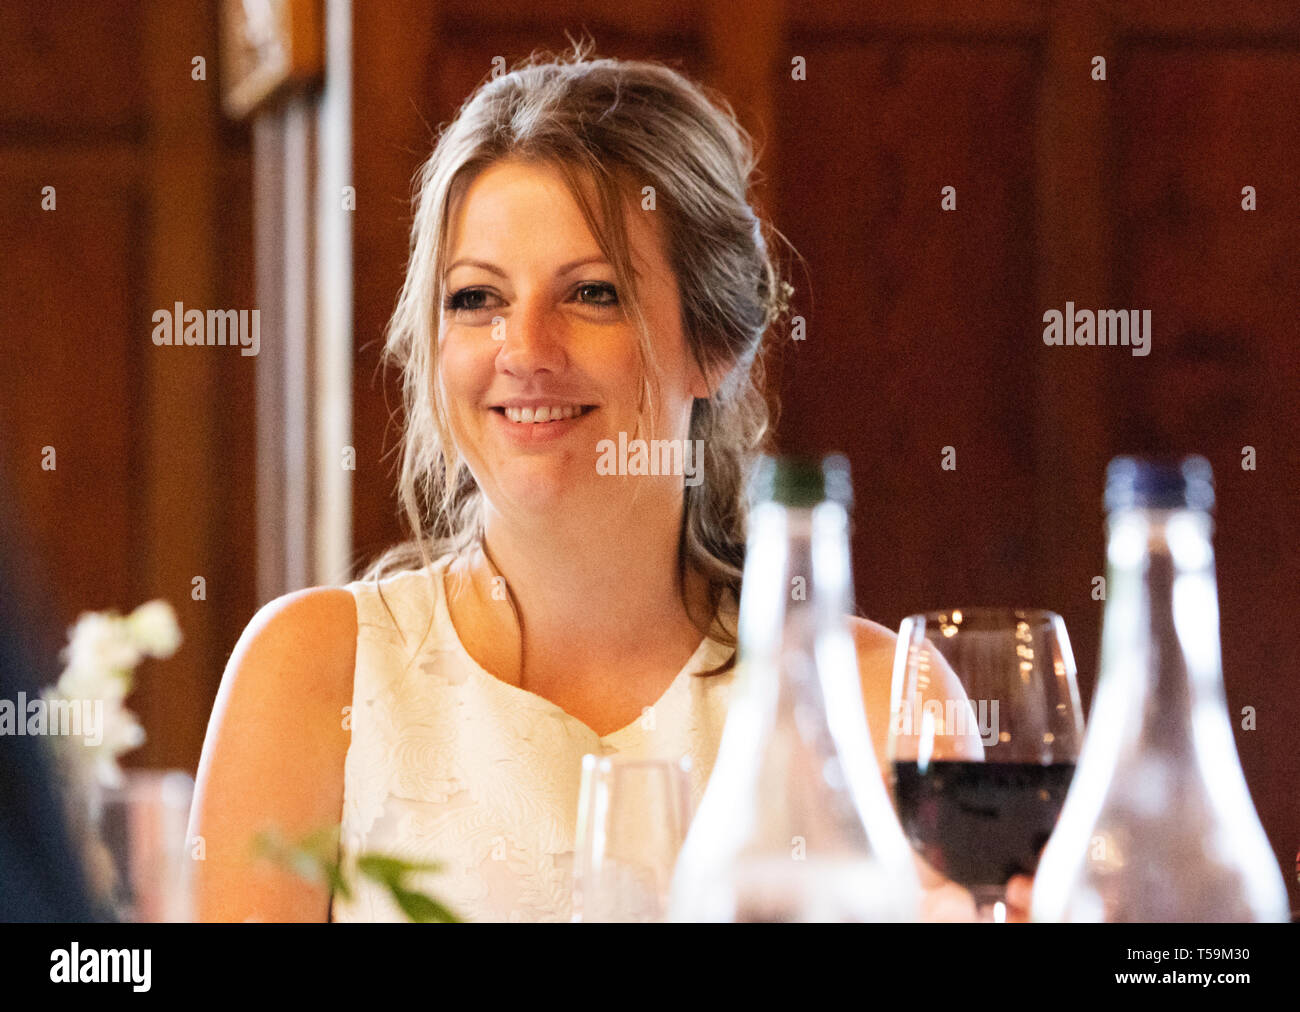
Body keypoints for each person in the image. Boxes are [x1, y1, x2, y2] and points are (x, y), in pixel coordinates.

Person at [189, 44, 1021, 922]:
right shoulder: (312, 670)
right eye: (476, 298)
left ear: (717, 344)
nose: (524, 351)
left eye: (592, 294)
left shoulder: (877, 700)